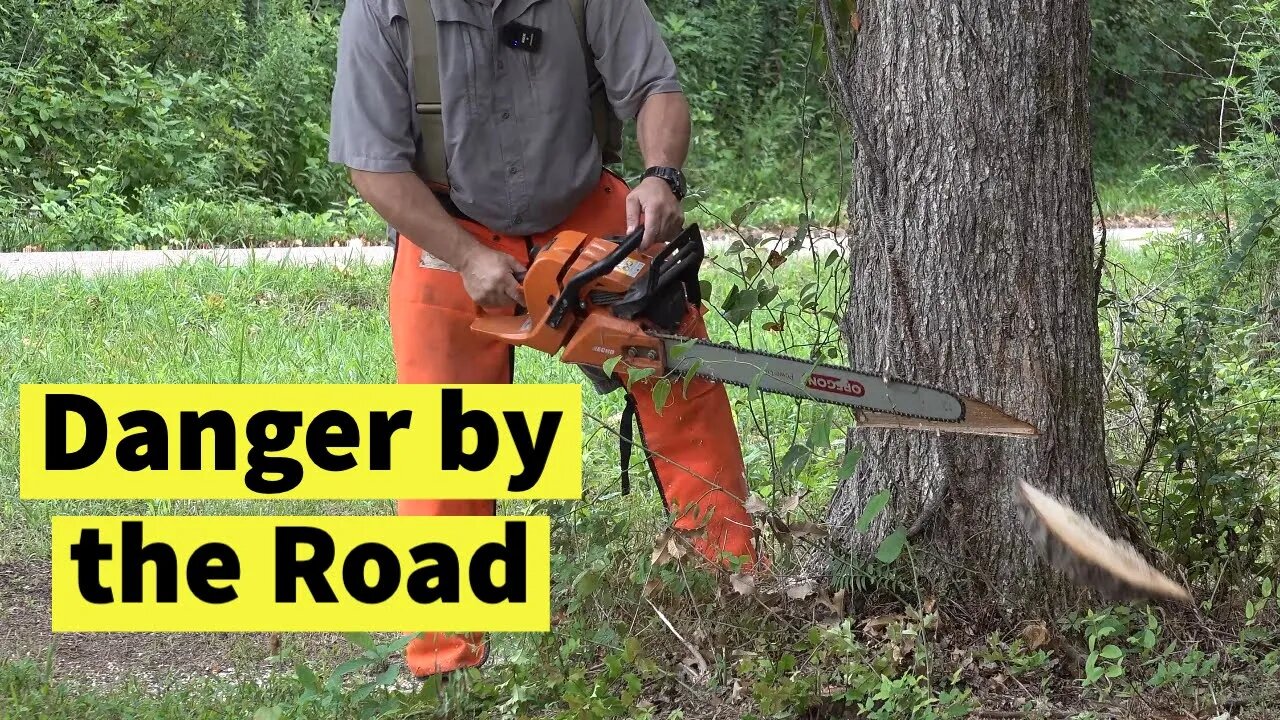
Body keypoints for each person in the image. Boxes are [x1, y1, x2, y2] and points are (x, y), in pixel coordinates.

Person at [327, 0, 757, 680]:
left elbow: (655, 89)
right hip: (447, 228)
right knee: (443, 443)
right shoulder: (382, 10)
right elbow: (373, 167)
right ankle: (445, 665)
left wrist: (660, 176)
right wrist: (468, 257)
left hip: (585, 211)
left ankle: (735, 589)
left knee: (682, 385)